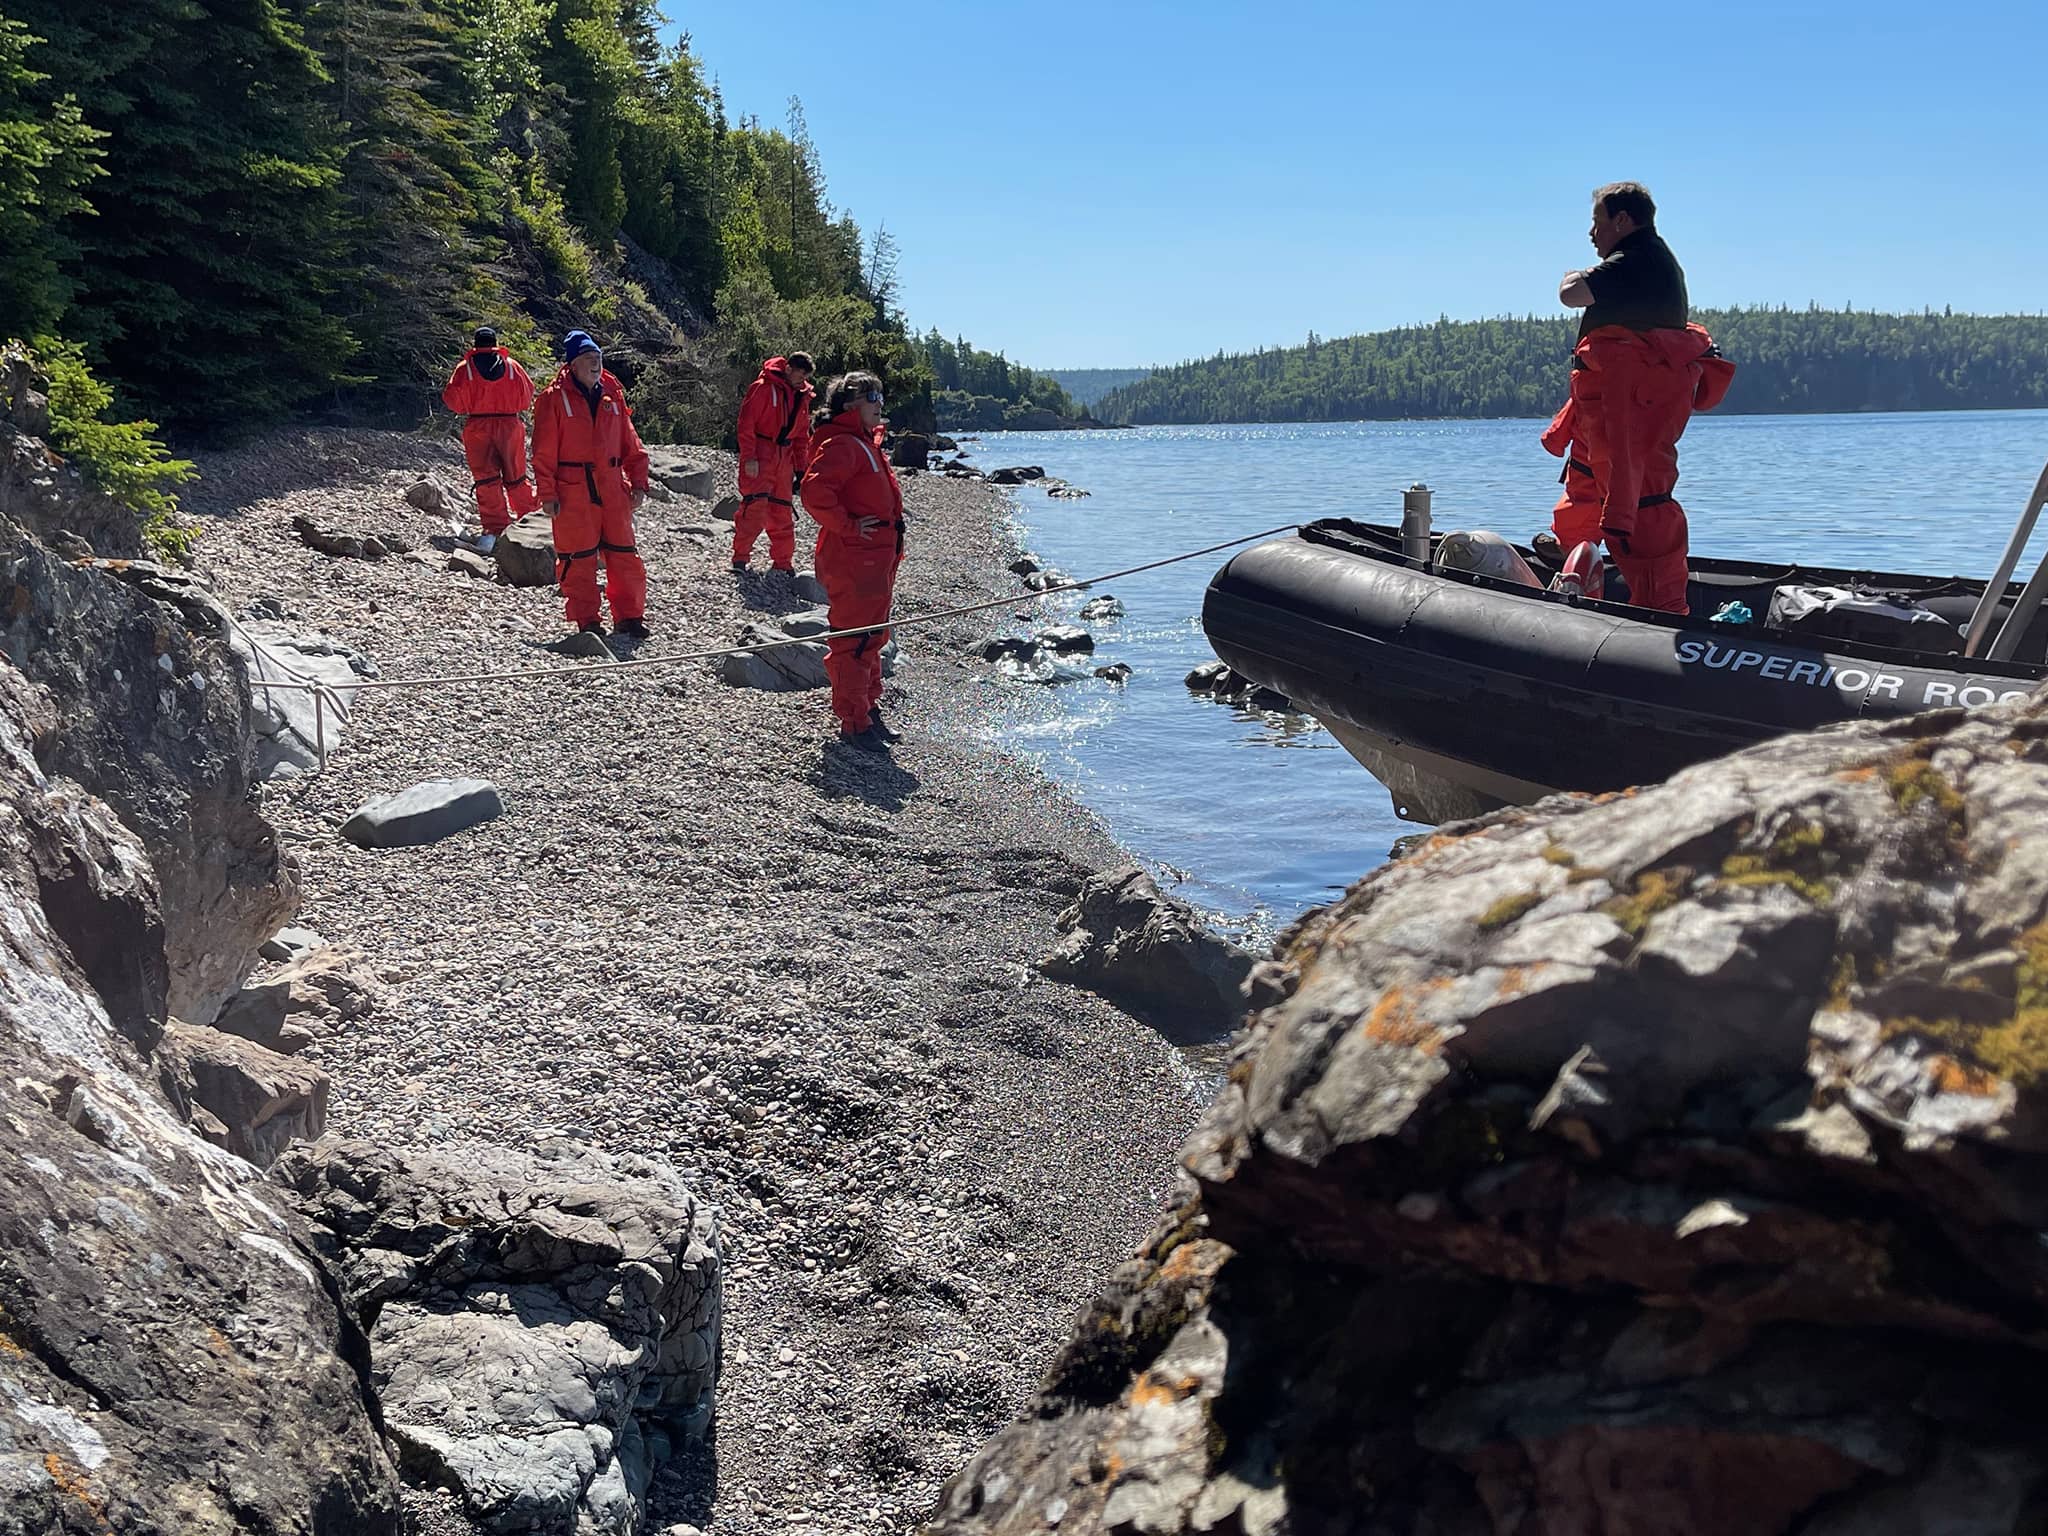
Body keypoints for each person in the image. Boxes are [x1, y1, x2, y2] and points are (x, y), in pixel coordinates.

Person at [1541, 181, 1734, 614]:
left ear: (1622, 221)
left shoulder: (1634, 260)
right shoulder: (1648, 262)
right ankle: (1575, 565)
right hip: (1603, 416)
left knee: (1644, 512)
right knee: (1584, 495)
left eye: (1597, 222)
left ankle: (1662, 614)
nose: (1593, 233)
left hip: (1632, 421)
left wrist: (1569, 274)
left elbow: (1571, 294)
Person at [801, 371, 905, 749]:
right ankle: (854, 722)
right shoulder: (844, 443)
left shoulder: (864, 442)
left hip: (875, 559)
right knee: (854, 641)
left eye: (880, 394)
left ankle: (867, 710)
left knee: (873, 636)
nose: (879, 403)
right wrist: (847, 526)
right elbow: (813, 492)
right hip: (855, 559)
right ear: (850, 405)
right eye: (872, 396)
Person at [532, 330, 652, 638]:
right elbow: (543, 452)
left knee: (625, 554)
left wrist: (638, 481)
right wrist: (548, 493)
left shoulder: (612, 392)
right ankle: (588, 622)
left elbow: (630, 442)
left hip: (613, 488)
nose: (595, 365)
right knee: (578, 559)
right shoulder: (552, 399)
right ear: (572, 364)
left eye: (597, 359)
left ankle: (629, 618)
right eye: (588, 360)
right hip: (573, 491)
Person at [440, 326, 538, 553]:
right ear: (495, 343)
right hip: (510, 426)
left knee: (487, 480)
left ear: (475, 345)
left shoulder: (465, 369)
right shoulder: (513, 367)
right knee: (517, 478)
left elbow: (453, 400)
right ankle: (531, 521)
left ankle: (495, 529)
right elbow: (527, 396)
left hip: (478, 427)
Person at [733, 351, 815, 574]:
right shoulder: (762, 387)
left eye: (805, 377)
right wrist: (749, 456)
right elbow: (746, 424)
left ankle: (783, 563)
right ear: (788, 368)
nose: (802, 380)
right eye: (800, 375)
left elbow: (801, 437)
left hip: (784, 458)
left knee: (782, 511)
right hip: (761, 452)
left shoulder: (802, 396)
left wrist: (801, 469)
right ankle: (740, 558)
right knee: (754, 507)